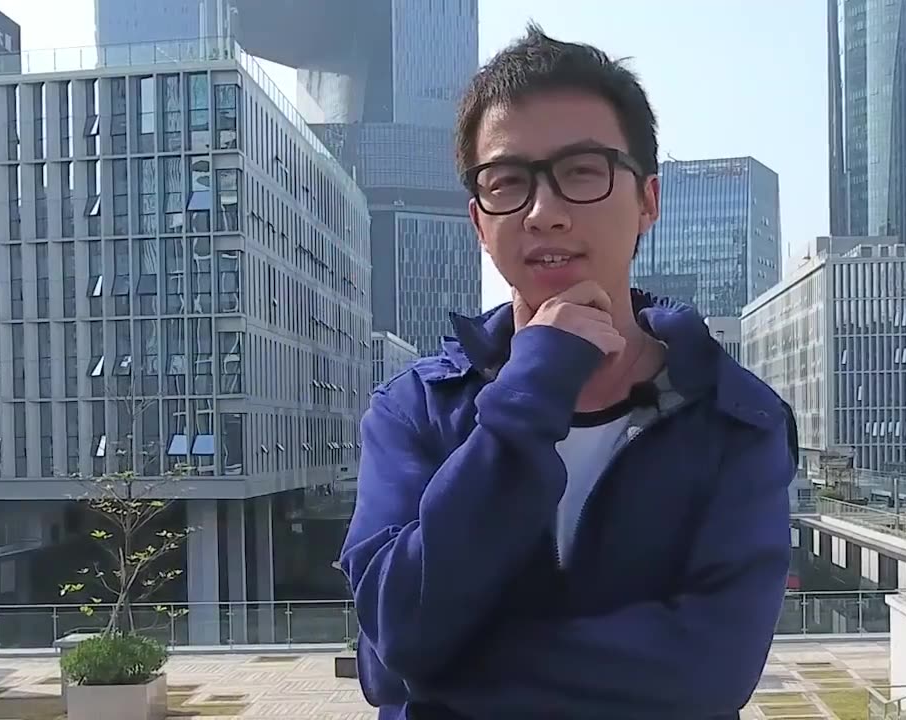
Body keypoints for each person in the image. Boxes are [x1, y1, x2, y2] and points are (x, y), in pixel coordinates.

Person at [340, 23, 797, 720]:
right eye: (507, 182)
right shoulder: (417, 409)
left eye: (582, 172)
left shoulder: (734, 420)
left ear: (647, 201)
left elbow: (708, 672)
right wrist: (531, 389)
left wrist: (447, 672)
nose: (544, 213)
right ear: (478, 220)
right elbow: (400, 630)